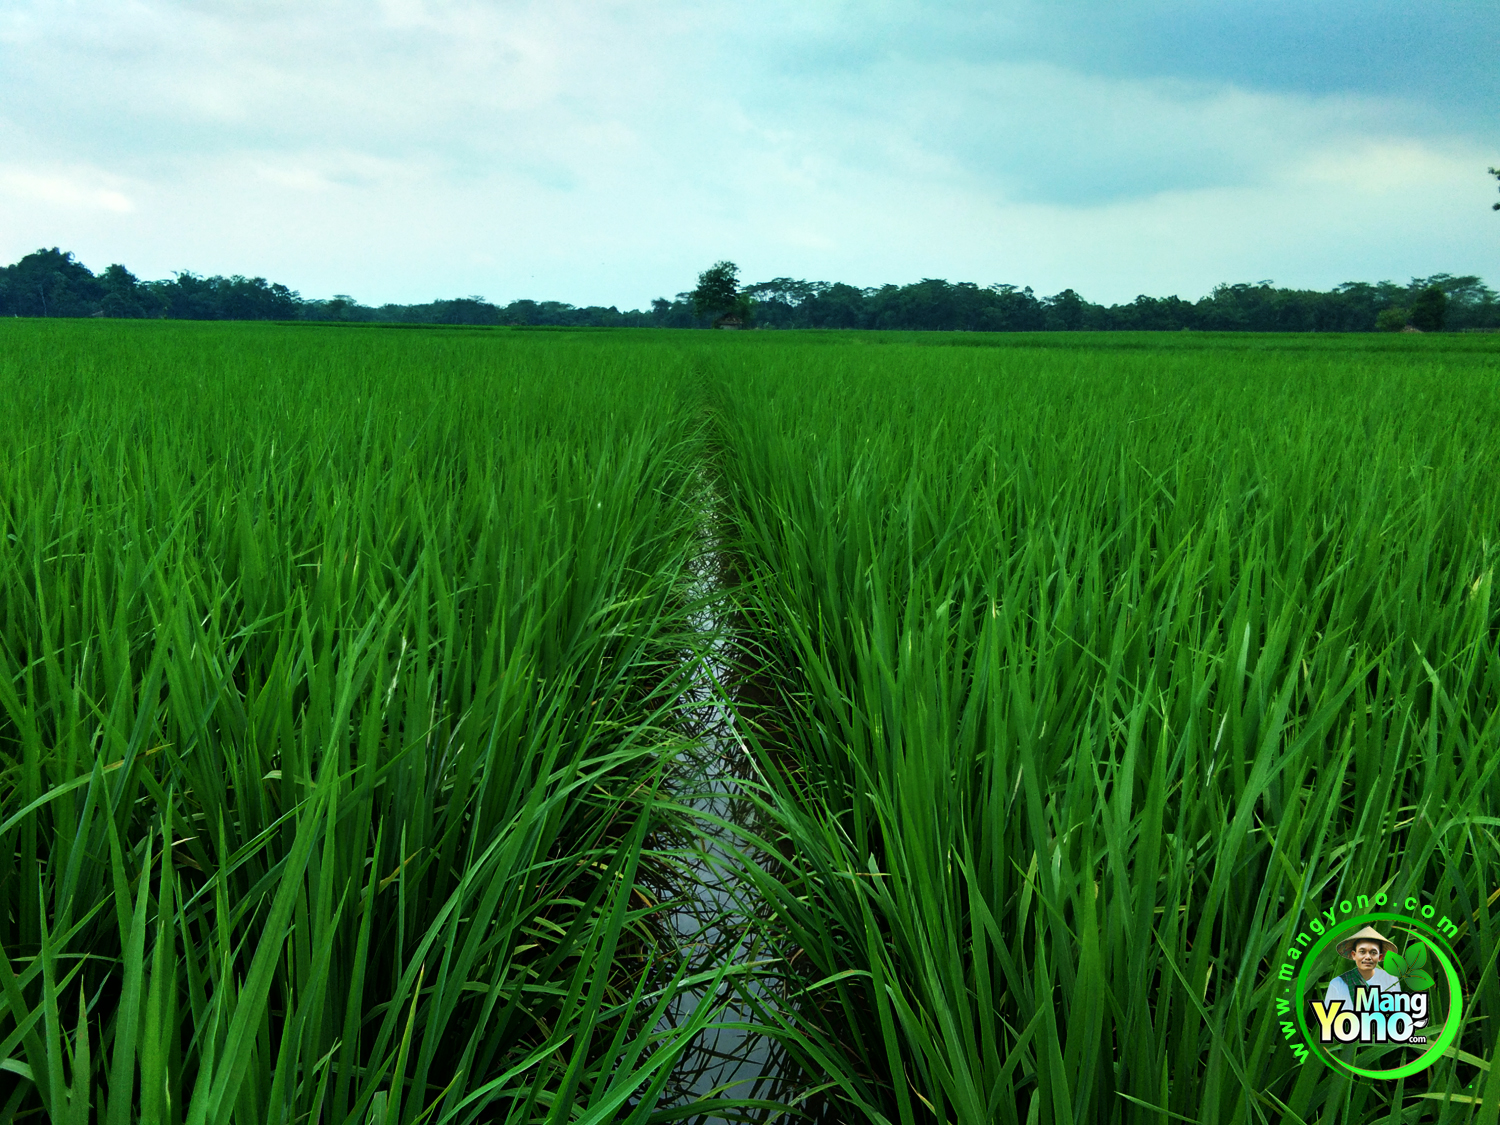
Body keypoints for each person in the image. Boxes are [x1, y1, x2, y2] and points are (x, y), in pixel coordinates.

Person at [1323, 925, 1400, 1010]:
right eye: (1362, 952)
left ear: (1380, 957)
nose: (1367, 957)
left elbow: (1397, 1014)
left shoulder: (1391, 981)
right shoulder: (1338, 983)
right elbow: (1328, 1019)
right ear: (1354, 955)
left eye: (1373, 952)